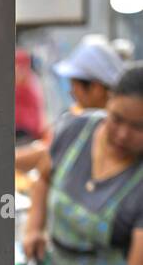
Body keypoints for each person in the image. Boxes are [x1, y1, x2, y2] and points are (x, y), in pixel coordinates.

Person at [23, 62, 143, 265]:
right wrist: (35, 227)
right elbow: (43, 178)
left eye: (138, 127)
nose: (123, 134)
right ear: (108, 102)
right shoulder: (76, 130)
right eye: (117, 119)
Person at [16, 36, 125, 175]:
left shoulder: (105, 124)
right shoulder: (79, 115)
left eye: (74, 85)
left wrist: (5, 160)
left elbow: (49, 153)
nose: (71, 92)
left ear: (96, 88)